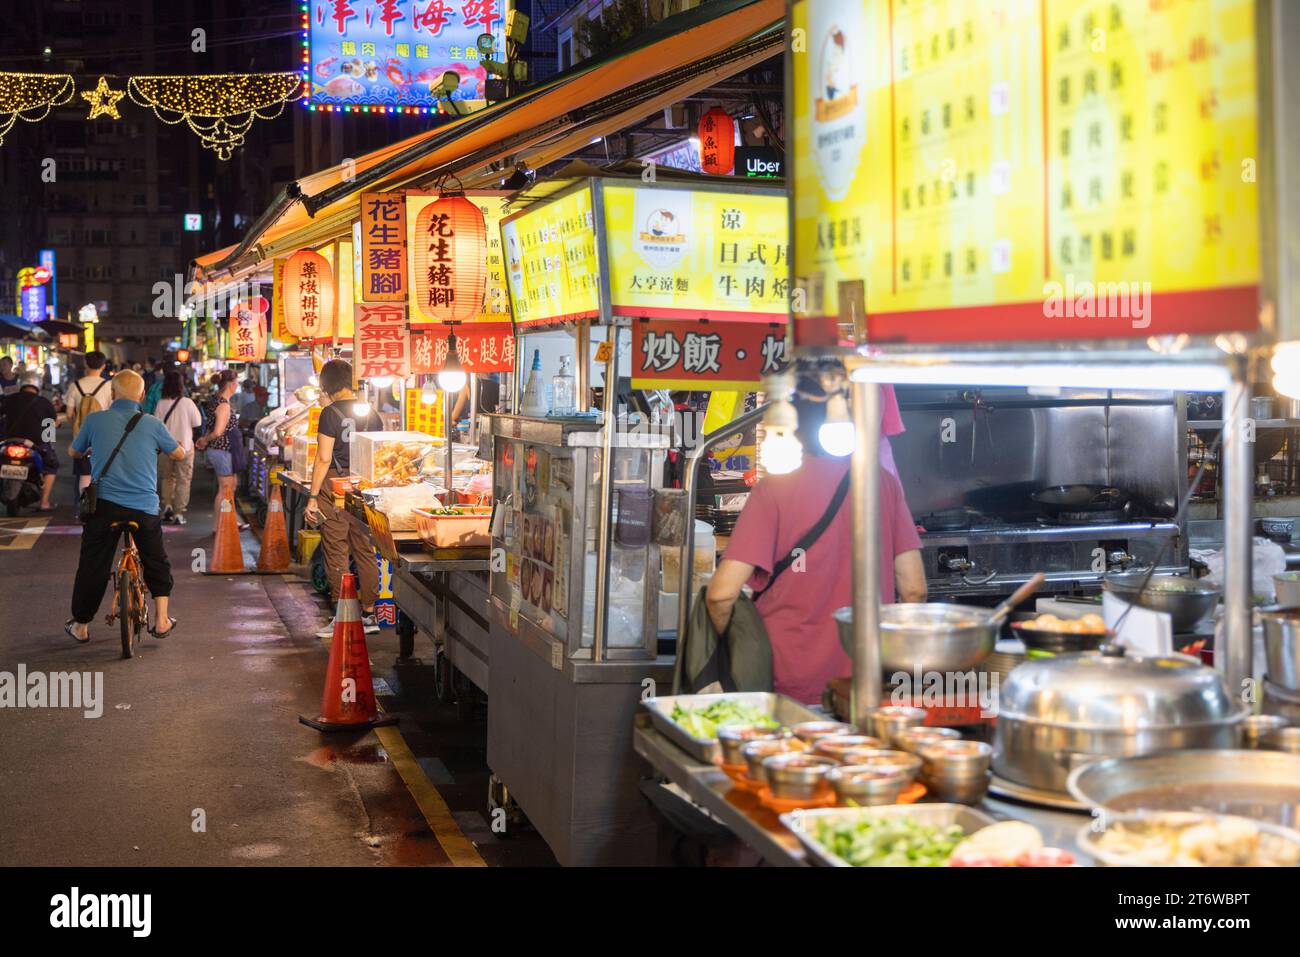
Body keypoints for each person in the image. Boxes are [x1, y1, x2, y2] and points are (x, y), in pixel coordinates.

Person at [705, 369, 928, 704]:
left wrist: (730, 645)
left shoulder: (775, 488)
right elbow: (914, 588)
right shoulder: (882, 482)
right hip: (862, 685)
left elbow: (721, 595)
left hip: (784, 683)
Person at [65, 370, 187, 643]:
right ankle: (162, 619)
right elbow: (179, 454)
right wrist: (178, 447)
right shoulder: (153, 423)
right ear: (142, 395)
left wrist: (88, 448)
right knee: (156, 560)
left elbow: (73, 451)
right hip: (144, 509)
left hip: (104, 508)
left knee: (93, 564)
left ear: (112, 394)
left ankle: (82, 625)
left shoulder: (96, 421)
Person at [302, 359, 384, 637]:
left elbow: (324, 457)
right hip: (364, 485)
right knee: (364, 548)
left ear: (328, 384)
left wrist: (313, 497)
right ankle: (370, 613)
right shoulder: (371, 412)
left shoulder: (330, 412)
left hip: (335, 487)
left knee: (336, 548)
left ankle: (342, 615)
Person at [0, 370, 60, 510]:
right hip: (34, 445)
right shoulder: (44, 403)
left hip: (9, 442)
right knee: (52, 465)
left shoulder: (9, 399)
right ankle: (44, 502)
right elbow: (49, 432)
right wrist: (49, 445)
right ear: (37, 384)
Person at [194, 369, 242, 526]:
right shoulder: (223, 405)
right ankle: (219, 525)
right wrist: (206, 439)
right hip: (223, 451)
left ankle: (230, 521)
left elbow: (212, 427)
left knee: (230, 486)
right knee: (225, 488)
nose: (238, 385)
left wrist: (204, 439)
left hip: (223, 450)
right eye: (237, 382)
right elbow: (218, 431)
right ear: (231, 384)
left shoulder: (216, 400)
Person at [154, 371, 202, 525]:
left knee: (167, 478)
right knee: (183, 480)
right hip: (185, 447)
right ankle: (179, 513)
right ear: (181, 385)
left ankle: (167, 506)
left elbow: (156, 425)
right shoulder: (187, 403)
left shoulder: (161, 403)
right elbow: (198, 423)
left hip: (165, 447)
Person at [65, 351, 114, 502]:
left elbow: (68, 414)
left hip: (82, 436)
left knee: (84, 473)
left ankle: (84, 506)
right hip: (104, 436)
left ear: (85, 364)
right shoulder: (109, 386)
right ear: (104, 366)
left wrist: (76, 424)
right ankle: (103, 504)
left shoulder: (75, 386)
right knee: (104, 473)